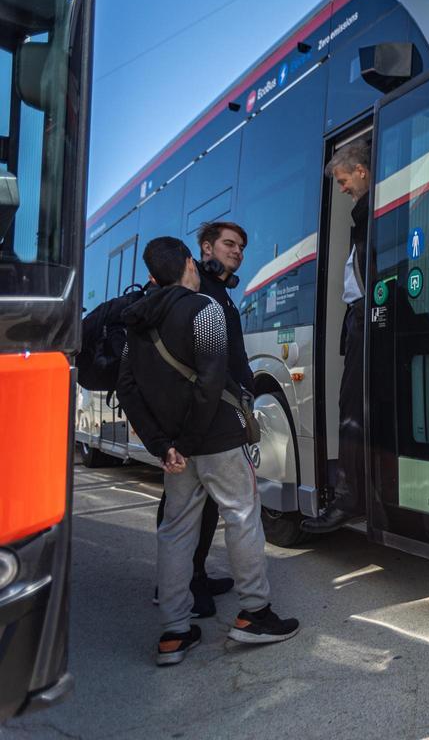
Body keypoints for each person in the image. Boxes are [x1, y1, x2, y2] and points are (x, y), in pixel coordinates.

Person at [117, 237, 299, 666]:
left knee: (176, 531)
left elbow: (126, 387)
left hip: (174, 451)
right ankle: (255, 614)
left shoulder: (137, 322)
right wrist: (189, 442)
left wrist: (162, 445)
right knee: (241, 516)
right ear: (186, 265)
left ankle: (174, 634)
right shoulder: (205, 311)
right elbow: (212, 380)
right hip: (213, 440)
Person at [151, 221, 250, 617]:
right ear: (204, 250)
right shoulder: (198, 293)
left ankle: (194, 575)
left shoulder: (220, 294)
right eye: (228, 243)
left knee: (205, 504)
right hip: (199, 416)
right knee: (186, 507)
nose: (237, 251)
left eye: (241, 246)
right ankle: (176, 586)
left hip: (216, 413)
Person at [302, 141, 371, 533]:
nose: (341, 188)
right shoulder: (363, 213)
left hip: (365, 317)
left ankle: (348, 498)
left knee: (352, 414)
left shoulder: (372, 210)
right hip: (357, 319)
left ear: (361, 171)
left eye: (344, 180)